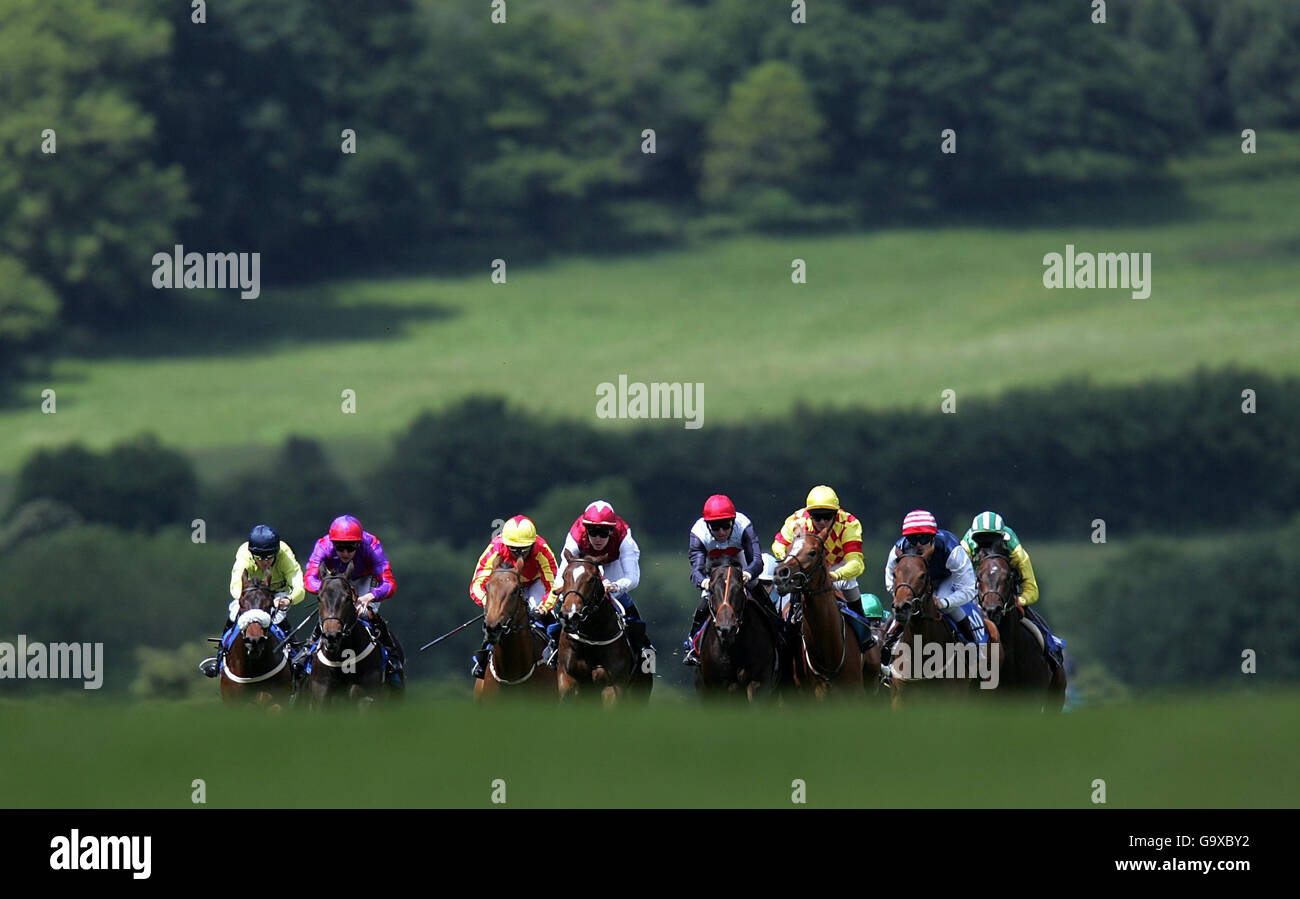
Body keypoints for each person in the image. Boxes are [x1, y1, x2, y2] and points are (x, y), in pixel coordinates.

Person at [304, 514, 404, 686]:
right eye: (340, 547)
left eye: (351, 547)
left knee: (365, 614)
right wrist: (326, 588)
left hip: (364, 582)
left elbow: (389, 583)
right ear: (332, 543)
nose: (345, 553)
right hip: (333, 581)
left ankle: (392, 660)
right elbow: (309, 578)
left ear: (359, 543)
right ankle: (308, 653)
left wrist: (371, 595)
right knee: (332, 613)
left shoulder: (372, 545)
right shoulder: (323, 545)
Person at [771, 485, 874, 650]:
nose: (822, 522)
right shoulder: (798, 522)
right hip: (806, 570)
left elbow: (856, 563)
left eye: (827, 516)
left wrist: (834, 576)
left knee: (851, 588)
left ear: (836, 513)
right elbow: (778, 545)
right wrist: (789, 559)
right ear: (809, 514)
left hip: (837, 570)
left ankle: (866, 640)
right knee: (783, 607)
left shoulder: (849, 524)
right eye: (817, 517)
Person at [551, 500, 653, 659]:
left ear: (612, 531)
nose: (598, 538)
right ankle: (553, 647)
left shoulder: (624, 537)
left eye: (604, 533)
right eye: (593, 532)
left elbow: (633, 577)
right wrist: (564, 592)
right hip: (585, 564)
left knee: (621, 604)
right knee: (561, 606)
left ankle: (645, 650)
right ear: (585, 529)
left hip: (613, 562)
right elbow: (564, 569)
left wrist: (615, 586)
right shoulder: (575, 534)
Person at [200, 524, 304, 677]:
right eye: (260, 558)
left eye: (269, 557)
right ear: (252, 554)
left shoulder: (285, 554)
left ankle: (296, 657)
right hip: (250, 595)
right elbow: (235, 586)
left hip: (277, 594)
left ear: (276, 553)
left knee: (279, 616)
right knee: (234, 612)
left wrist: (289, 599)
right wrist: (246, 601)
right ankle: (219, 659)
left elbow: (299, 586)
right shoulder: (244, 555)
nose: (265, 562)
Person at [961, 510, 1064, 664]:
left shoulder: (1017, 553)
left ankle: (1051, 650)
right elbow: (956, 582)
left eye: (992, 540)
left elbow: (1032, 590)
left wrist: (1019, 601)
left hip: (1006, 595)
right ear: (974, 538)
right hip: (976, 589)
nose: (987, 545)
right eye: (982, 540)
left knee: (1037, 627)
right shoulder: (964, 549)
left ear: (1002, 539)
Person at [880, 509, 983, 664]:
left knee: (946, 605)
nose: (919, 544)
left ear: (933, 537)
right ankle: (887, 645)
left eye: (924, 538)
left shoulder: (952, 550)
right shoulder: (898, 551)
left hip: (946, 580)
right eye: (913, 539)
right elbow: (890, 579)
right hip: (914, 584)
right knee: (901, 607)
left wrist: (944, 602)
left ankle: (971, 644)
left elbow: (969, 589)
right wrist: (903, 595)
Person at [468, 515, 560, 678]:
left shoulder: (542, 549)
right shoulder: (495, 549)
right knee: (494, 618)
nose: (519, 553)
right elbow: (477, 583)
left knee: (545, 614)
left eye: (524, 549)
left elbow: (553, 584)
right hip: (505, 587)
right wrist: (491, 603)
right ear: (505, 544)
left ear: (533, 543)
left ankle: (555, 648)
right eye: (514, 549)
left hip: (534, 584)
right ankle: (483, 659)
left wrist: (544, 607)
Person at [683, 494, 765, 666]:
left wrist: (748, 574)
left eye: (726, 526)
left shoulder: (744, 525)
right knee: (706, 601)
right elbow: (696, 570)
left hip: (739, 559)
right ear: (707, 525)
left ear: (733, 522)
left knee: (757, 589)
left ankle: (779, 630)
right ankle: (691, 645)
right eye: (715, 527)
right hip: (713, 564)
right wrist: (705, 583)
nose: (721, 532)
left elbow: (757, 561)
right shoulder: (698, 533)